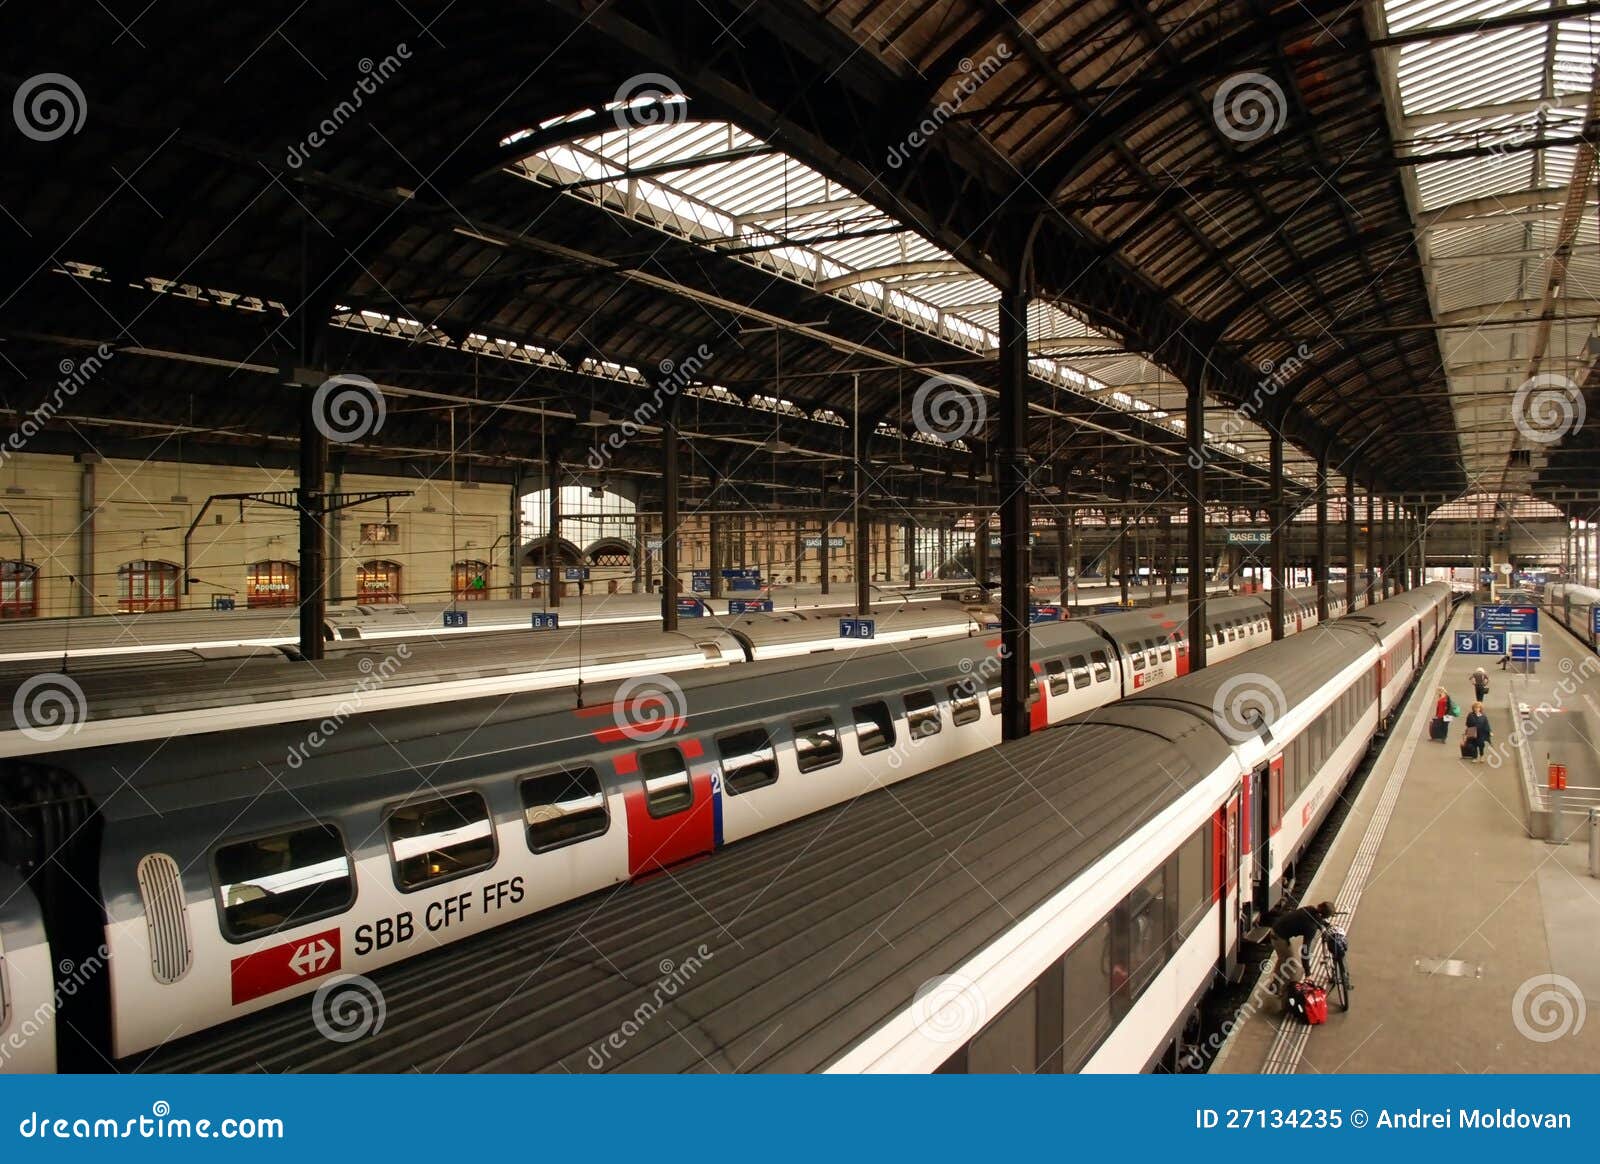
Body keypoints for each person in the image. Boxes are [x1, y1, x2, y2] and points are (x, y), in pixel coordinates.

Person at [1270, 900, 1336, 991]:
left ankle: (1275, 984)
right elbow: (1305, 950)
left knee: (1282, 958)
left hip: (1276, 930)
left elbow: (1316, 918)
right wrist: (1308, 973)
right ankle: (1285, 993)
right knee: (1292, 965)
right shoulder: (1311, 927)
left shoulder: (1310, 909)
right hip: (1279, 937)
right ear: (1325, 916)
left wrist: (1325, 925)